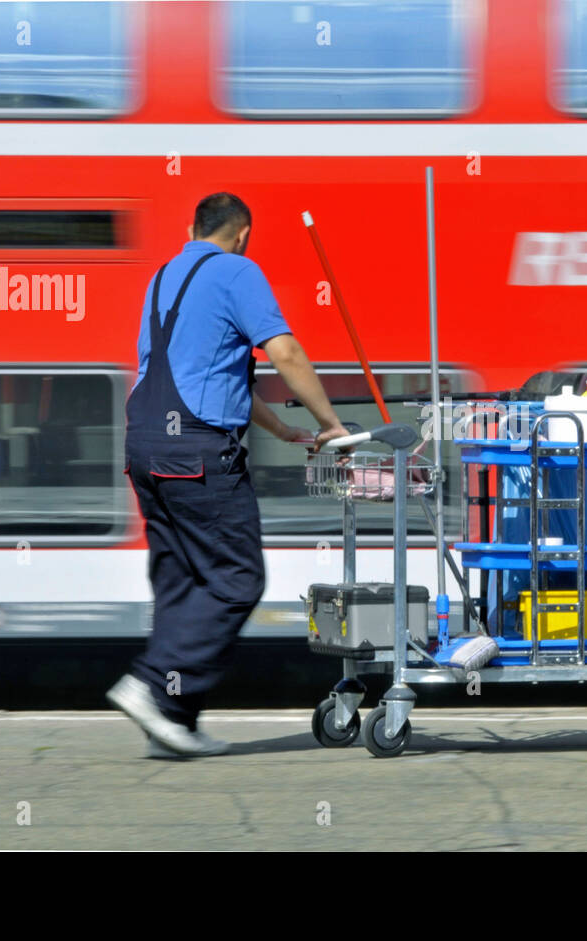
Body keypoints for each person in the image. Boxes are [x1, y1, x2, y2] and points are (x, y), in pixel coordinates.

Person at [107, 192, 348, 757]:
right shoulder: (238, 270)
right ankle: (149, 681)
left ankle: (172, 721)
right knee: (238, 580)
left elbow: (209, 374)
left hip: (144, 444)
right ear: (243, 235)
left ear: (192, 227)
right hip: (197, 452)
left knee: (182, 581)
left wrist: (282, 431)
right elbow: (285, 352)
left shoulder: (164, 276)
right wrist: (328, 422)